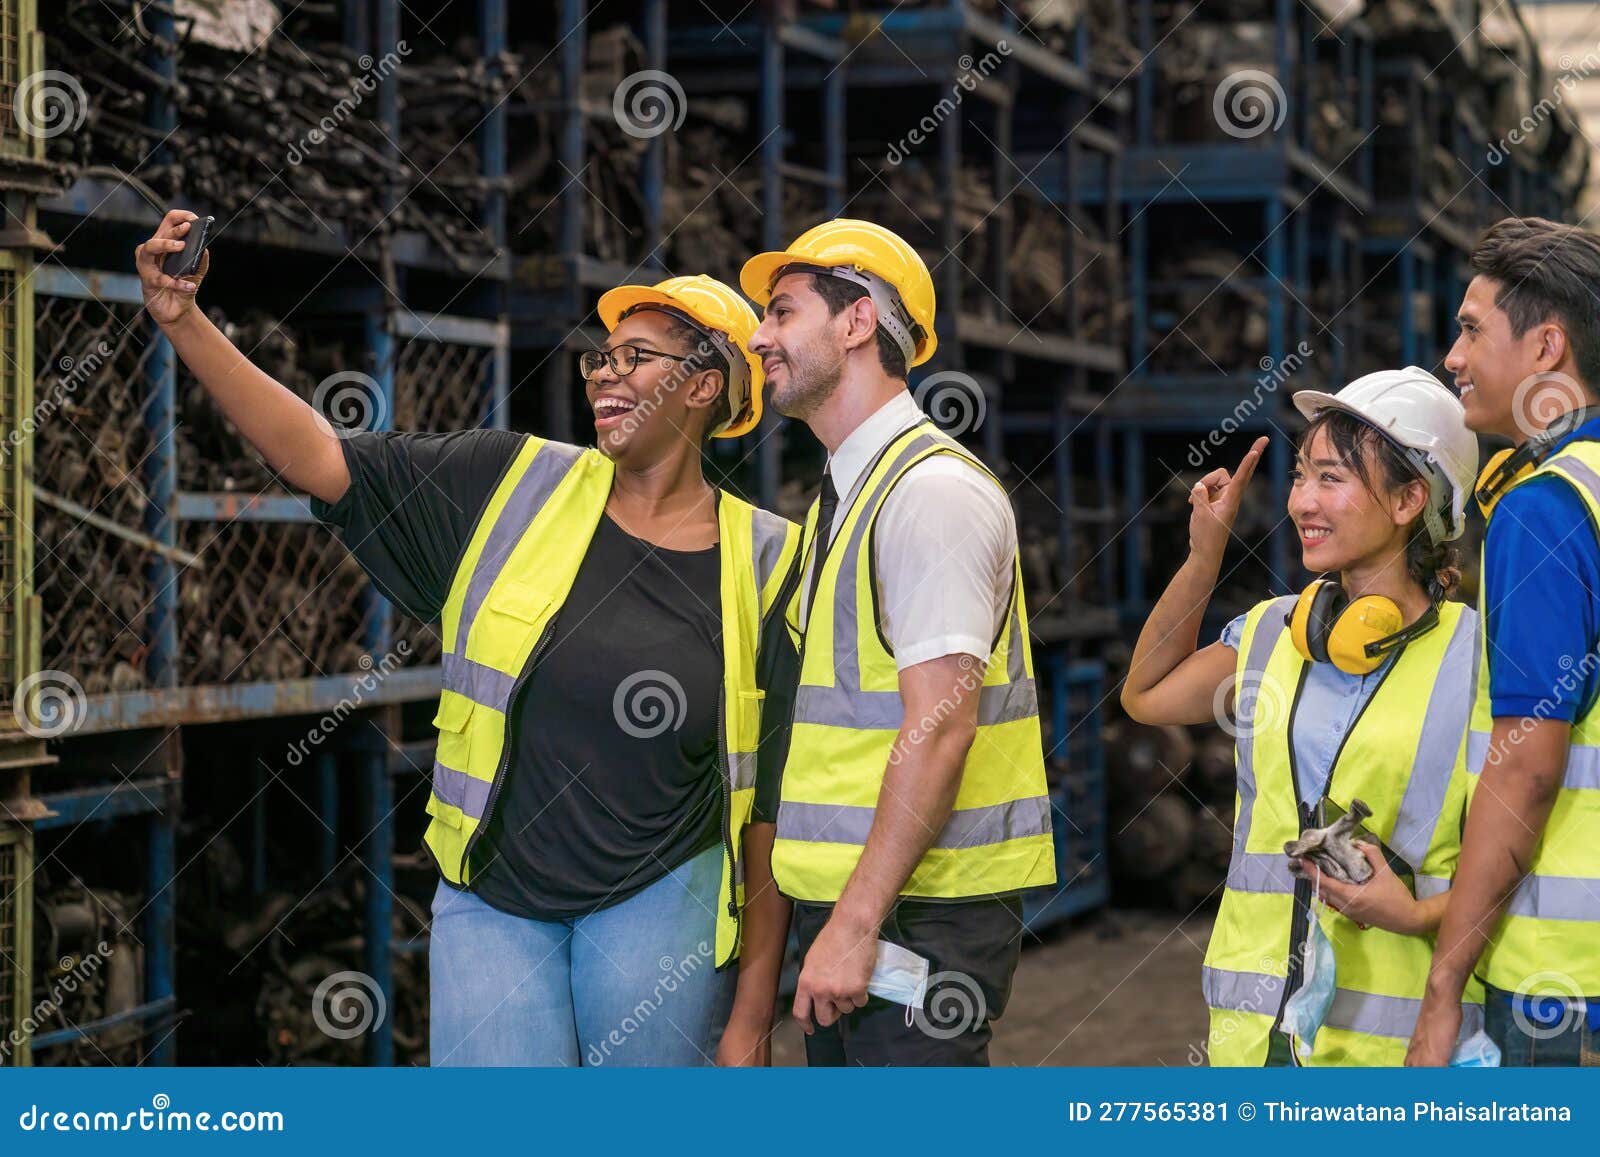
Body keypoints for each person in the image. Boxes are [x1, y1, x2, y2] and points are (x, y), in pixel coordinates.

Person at [135, 209, 801, 1067]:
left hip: (661, 900)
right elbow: (318, 455)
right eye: (603, 357)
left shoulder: (771, 561)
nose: (606, 374)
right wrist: (184, 320)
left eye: (638, 357)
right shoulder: (512, 482)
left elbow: (771, 814)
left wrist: (751, 1018)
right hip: (495, 901)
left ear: (706, 386)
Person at [736, 218, 1055, 1066]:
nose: (759, 336)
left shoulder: (930, 495)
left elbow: (941, 725)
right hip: (864, 905)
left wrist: (855, 920)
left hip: (918, 915)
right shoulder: (847, 499)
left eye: (781, 311)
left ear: (857, 322)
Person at [1121, 368, 1482, 1065]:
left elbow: (1515, 860)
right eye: (1300, 476)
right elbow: (1148, 694)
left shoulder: (1477, 659)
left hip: (1397, 1048)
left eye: (1332, 478)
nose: (1302, 502)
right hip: (1254, 1041)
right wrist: (1204, 556)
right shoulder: (1273, 632)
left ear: (1411, 497)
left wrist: (1415, 913)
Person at [1410, 217, 1600, 1067]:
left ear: (1546, 346)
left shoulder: (1545, 506)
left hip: (1565, 977)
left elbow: (1527, 762)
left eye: (1472, 329)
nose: (1452, 356)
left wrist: (1444, 985)